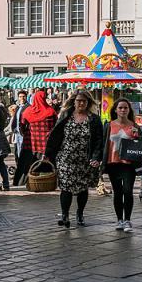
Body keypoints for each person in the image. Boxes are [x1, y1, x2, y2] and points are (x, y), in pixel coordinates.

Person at [45, 88, 103, 228]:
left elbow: (99, 140)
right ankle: (65, 215)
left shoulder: (94, 119)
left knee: (83, 188)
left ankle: (80, 213)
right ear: (73, 101)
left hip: (85, 159)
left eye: (84, 101)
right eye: (78, 101)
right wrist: (48, 153)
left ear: (88, 102)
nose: (81, 103)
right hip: (65, 158)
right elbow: (55, 135)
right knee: (66, 187)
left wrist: (96, 157)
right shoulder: (65, 115)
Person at [103, 97, 142, 232]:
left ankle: (127, 220)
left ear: (129, 110)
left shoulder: (134, 126)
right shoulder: (109, 125)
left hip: (129, 164)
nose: (123, 110)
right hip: (113, 163)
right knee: (118, 192)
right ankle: (119, 220)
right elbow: (103, 144)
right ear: (115, 110)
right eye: (120, 107)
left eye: (125, 108)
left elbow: (141, 144)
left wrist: (137, 137)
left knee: (128, 191)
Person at [14, 89, 56, 186]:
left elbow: (22, 125)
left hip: (30, 142)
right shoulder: (50, 111)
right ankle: (47, 181)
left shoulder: (28, 111)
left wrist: (25, 133)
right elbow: (55, 126)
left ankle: (21, 181)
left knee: (25, 162)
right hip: (46, 143)